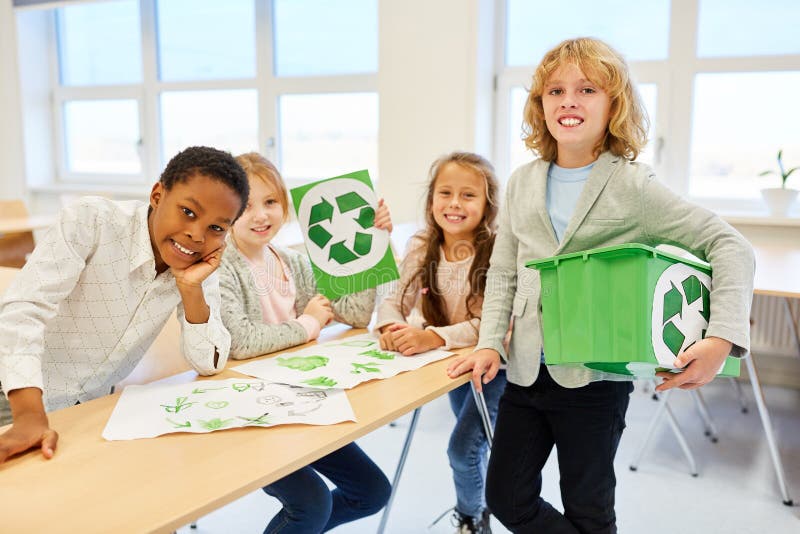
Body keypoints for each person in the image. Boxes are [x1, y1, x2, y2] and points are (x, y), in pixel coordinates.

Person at [447, 37, 755, 534]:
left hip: (594, 382)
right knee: (506, 497)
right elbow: (504, 271)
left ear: (614, 104)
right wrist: (488, 343)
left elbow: (730, 245)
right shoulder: (522, 181)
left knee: (588, 509)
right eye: (555, 91)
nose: (568, 100)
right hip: (525, 373)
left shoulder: (634, 187)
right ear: (539, 105)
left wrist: (721, 338)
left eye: (587, 89)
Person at [0, 145, 249, 463]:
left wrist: (190, 288)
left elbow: (209, 363)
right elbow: (24, 310)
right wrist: (28, 416)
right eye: (188, 212)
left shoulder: (202, 266)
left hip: (90, 407)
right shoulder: (93, 221)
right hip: (15, 393)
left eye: (217, 227)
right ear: (158, 195)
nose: (196, 235)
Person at [218, 152, 391, 533]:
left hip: (298, 402)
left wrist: (370, 244)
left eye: (270, 202)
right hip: (252, 412)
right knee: (310, 502)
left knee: (372, 491)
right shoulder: (221, 266)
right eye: (245, 206)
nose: (261, 215)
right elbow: (241, 342)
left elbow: (356, 315)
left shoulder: (292, 262)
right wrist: (309, 322)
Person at [376, 151, 506, 534]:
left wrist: (432, 336)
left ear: (488, 204)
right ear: (431, 199)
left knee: (462, 451)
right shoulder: (421, 243)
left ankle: (471, 519)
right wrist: (390, 327)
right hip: (449, 366)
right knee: (471, 450)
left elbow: (492, 325)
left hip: (494, 366)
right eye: (445, 192)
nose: (454, 203)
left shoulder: (498, 250)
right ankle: (476, 511)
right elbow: (393, 298)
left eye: (468, 195)